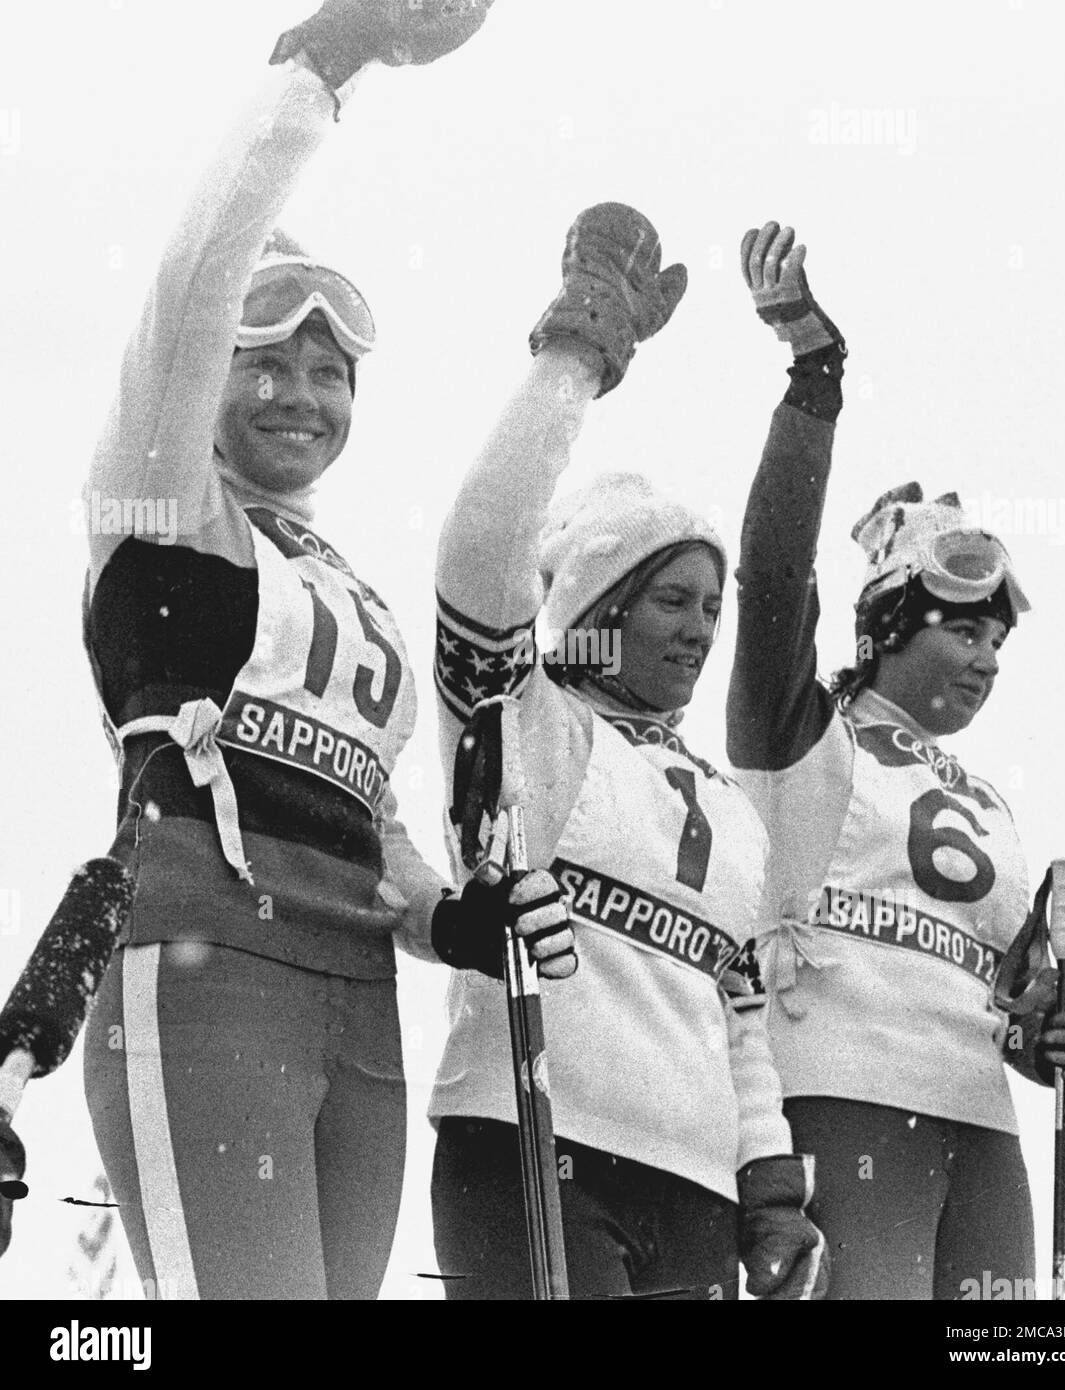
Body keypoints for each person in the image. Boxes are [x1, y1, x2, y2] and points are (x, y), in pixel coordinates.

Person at [79, 0, 573, 1301]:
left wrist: (450, 918)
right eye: (269, 359)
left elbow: (379, 831)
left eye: (332, 371)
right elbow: (190, 286)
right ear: (213, 376)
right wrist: (322, 69)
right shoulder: (164, 506)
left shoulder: (352, 593)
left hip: (357, 1004)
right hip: (207, 970)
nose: (304, 392)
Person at [428, 202, 827, 1301]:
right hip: (531, 1136)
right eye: (669, 598)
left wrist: (771, 1194)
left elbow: (739, 1014)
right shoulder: (534, 726)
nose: (702, 626)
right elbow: (479, 551)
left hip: (694, 1185)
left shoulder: (729, 810)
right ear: (598, 599)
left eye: (711, 603)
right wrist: (579, 352)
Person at [726, 221, 1065, 1300]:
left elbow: (1024, 994)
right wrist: (815, 378)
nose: (986, 659)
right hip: (840, 1093)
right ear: (890, 622)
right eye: (962, 629)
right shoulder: (800, 731)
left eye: (998, 639)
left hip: (980, 1125)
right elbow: (769, 575)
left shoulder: (987, 800)